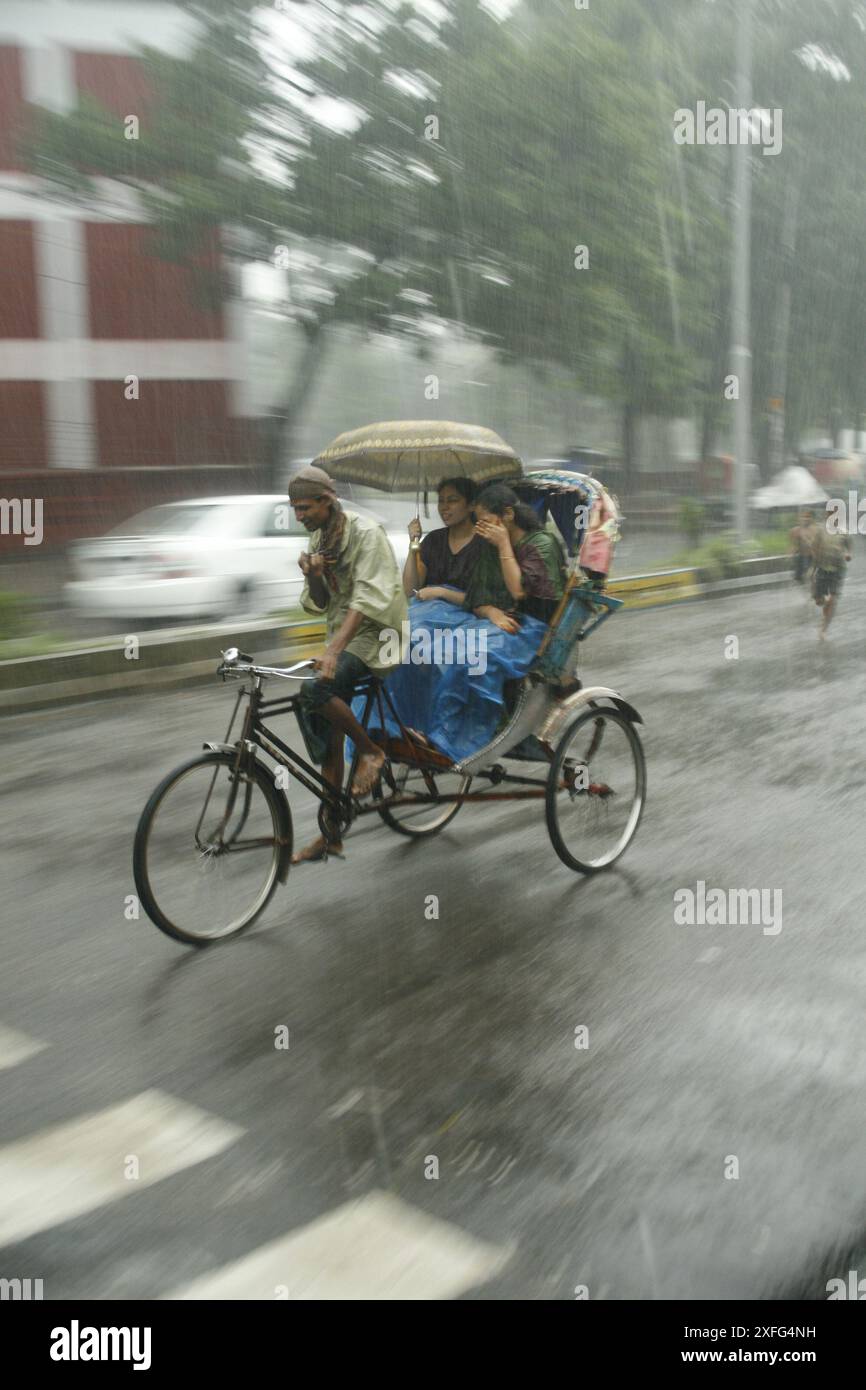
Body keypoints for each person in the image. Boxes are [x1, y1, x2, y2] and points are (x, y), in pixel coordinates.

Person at [289, 465, 407, 862]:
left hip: (379, 636)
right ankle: (331, 833)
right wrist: (315, 576)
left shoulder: (366, 534)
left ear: (328, 500)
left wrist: (333, 651)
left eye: (305, 508)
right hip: (345, 634)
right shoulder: (322, 538)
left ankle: (371, 752)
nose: (299, 516)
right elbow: (322, 603)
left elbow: (367, 602)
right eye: (294, 509)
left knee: (316, 689)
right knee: (323, 726)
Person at [421, 483, 567, 763]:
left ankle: (479, 731)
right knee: (444, 648)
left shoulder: (541, 544)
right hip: (501, 622)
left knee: (474, 656)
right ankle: (443, 728)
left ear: (508, 515)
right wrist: (491, 612)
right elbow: (478, 597)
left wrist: (502, 545)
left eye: (486, 522)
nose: (481, 529)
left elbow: (518, 591)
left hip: (534, 629)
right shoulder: (490, 546)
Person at [403, 477, 482, 606]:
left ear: (471, 505)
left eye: (452, 500)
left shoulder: (484, 543)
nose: (444, 507)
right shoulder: (434, 540)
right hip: (429, 616)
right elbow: (410, 590)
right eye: (441, 501)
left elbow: (484, 600)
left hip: (471, 619)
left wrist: (441, 593)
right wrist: (413, 544)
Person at [810, 519, 851, 640]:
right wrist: (813, 568)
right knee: (819, 601)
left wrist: (848, 555)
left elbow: (849, 549)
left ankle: (823, 630)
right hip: (822, 568)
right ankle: (825, 602)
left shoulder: (844, 532)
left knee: (833, 600)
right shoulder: (820, 531)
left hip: (838, 570)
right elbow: (814, 547)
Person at [578, 485, 619, 590]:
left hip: (594, 547)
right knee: (598, 582)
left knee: (591, 578)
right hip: (604, 548)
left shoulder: (597, 504)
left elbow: (594, 523)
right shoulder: (610, 504)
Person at [790, 508, 817, 587]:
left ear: (812, 518)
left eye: (808, 517)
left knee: (812, 576)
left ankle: (814, 592)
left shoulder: (815, 530)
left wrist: (807, 540)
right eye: (803, 517)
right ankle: (805, 592)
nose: (805, 519)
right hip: (800, 557)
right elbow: (793, 544)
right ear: (799, 518)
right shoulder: (795, 530)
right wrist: (791, 552)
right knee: (798, 579)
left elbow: (817, 544)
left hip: (812, 557)